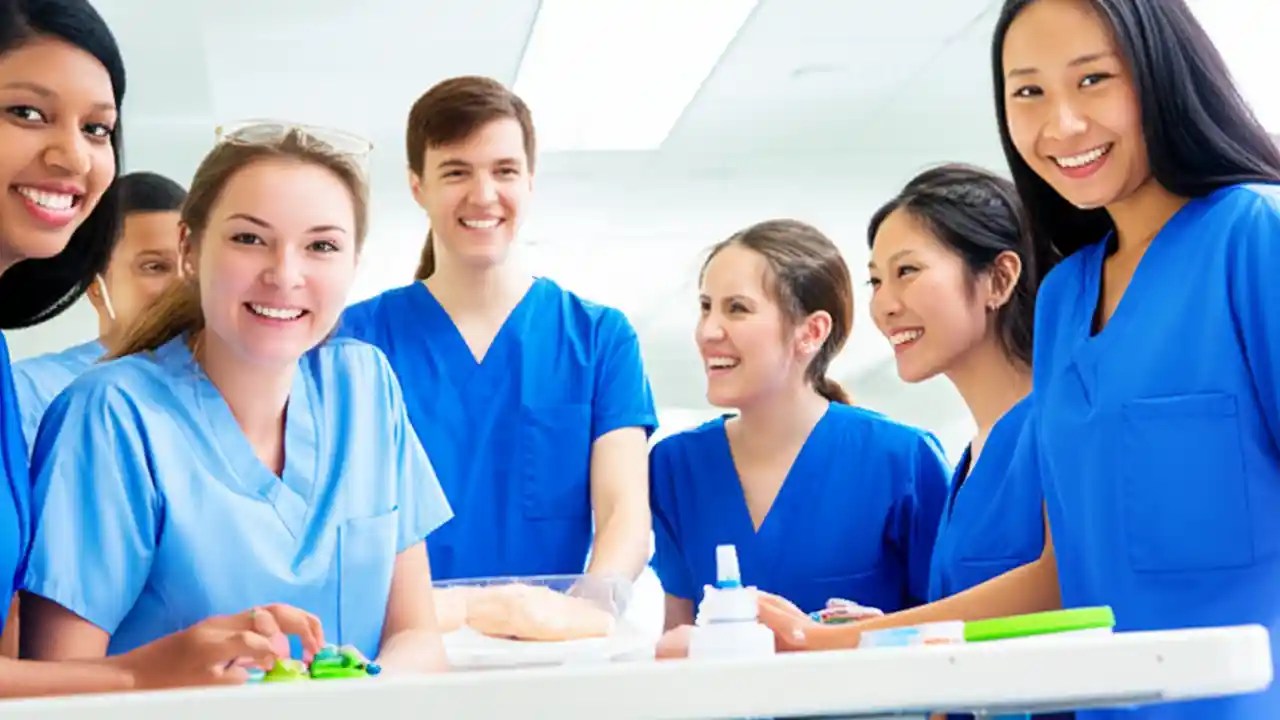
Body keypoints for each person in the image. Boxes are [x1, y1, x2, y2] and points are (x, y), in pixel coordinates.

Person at [753, 1, 1280, 718]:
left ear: (1161, 73)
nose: (1060, 124)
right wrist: (830, 644)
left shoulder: (1255, 238)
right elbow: (1063, 577)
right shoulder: (1066, 296)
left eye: (1093, 79)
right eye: (1028, 92)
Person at [20, 120, 453, 674]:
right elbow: (60, 679)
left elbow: (417, 631)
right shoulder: (112, 416)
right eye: (249, 238)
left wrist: (355, 699)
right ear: (190, 249)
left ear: (353, 263)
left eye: (321, 246)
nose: (285, 274)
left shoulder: (366, 388)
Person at [0, 0, 325, 695]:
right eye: (25, 112)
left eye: (97, 128)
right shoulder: (98, 407)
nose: (71, 154)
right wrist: (141, 671)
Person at [339, 76, 656, 612]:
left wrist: (589, 607)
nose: (483, 195)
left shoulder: (599, 339)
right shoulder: (356, 340)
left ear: (530, 181)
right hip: (402, 644)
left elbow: (625, 511)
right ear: (418, 185)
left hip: (547, 651)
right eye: (456, 171)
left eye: (504, 171)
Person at [649, 219, 951, 630]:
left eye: (737, 309)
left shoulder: (902, 460)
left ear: (811, 332)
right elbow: (677, 638)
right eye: (706, 307)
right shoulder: (674, 467)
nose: (708, 331)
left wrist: (878, 631)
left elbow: (952, 632)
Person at [868, 165, 1067, 720]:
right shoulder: (972, 457)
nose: (884, 304)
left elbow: (1059, 588)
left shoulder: (1059, 425)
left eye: (907, 271)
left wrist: (854, 638)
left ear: (1000, 280)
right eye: (876, 281)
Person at [13, 170, 186, 452]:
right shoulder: (31, 392)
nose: (182, 285)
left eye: (192, 265)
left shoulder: (222, 390)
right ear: (95, 285)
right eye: (155, 267)